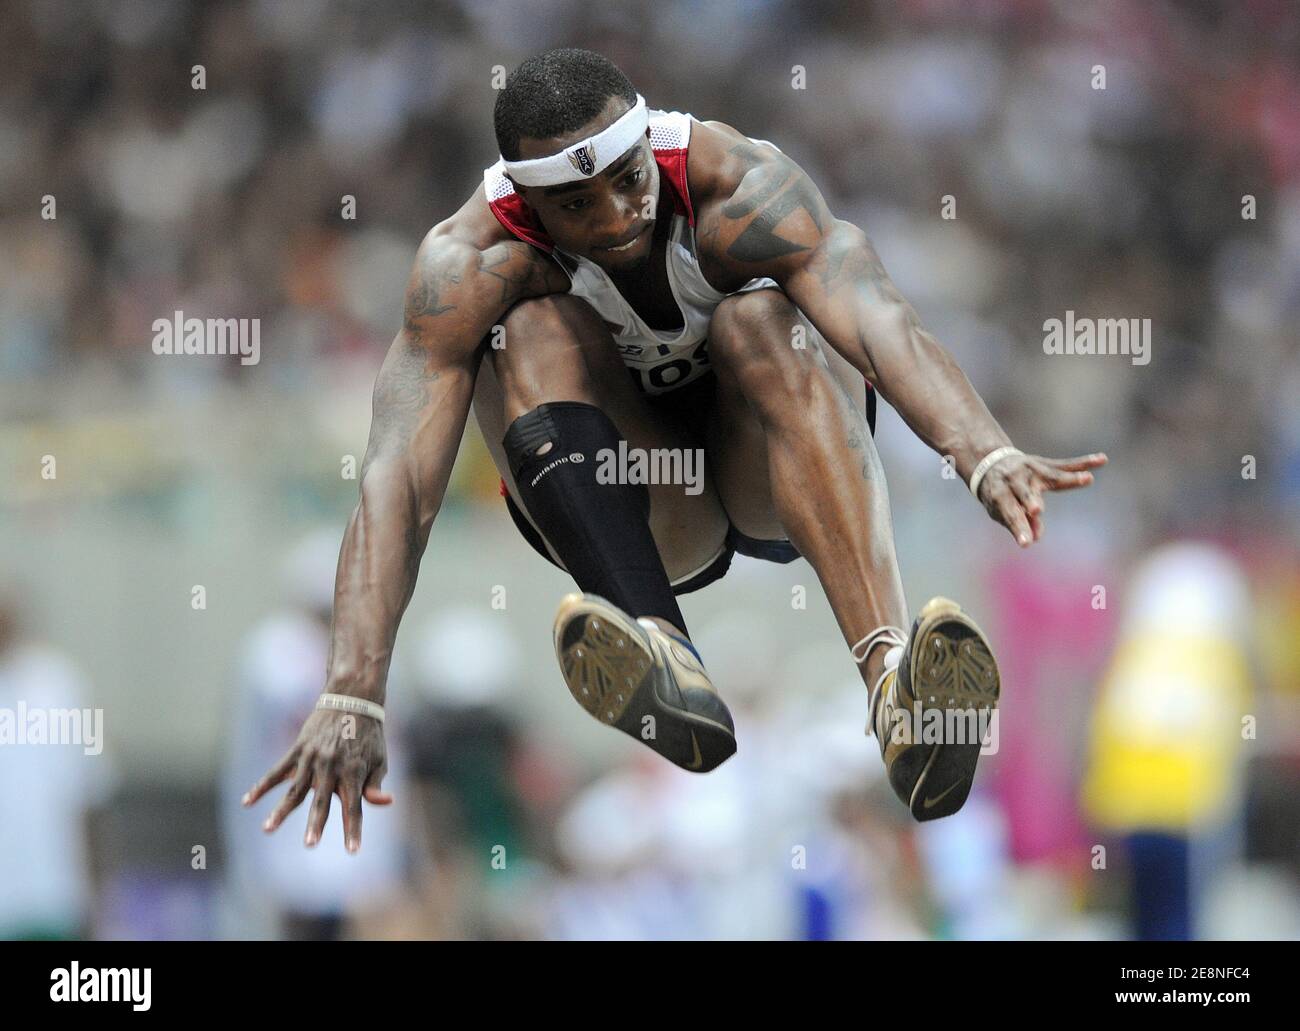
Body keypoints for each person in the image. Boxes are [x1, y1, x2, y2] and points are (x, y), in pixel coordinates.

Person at [244, 48, 1106, 850]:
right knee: (525, 333)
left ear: (649, 144)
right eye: (578, 206)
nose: (618, 217)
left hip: (772, 467)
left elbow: (879, 320)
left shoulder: (738, 186)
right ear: (528, 202)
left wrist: (983, 451)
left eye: (629, 181)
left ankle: (891, 685)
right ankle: (659, 649)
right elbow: (397, 478)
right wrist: (353, 686)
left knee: (761, 317)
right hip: (645, 510)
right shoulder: (471, 261)